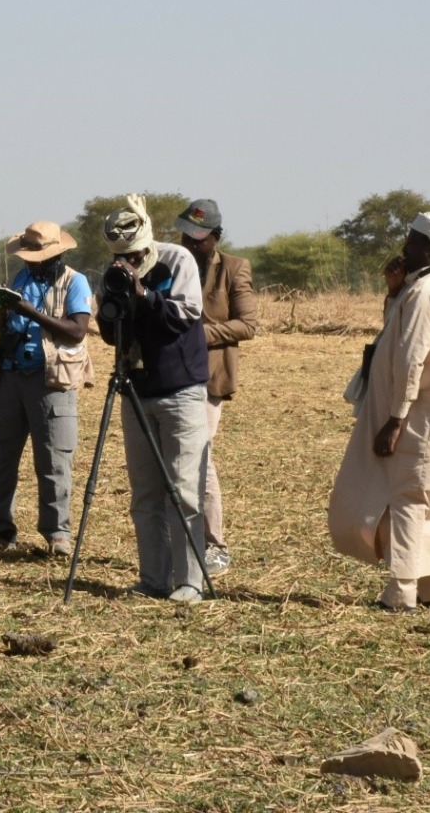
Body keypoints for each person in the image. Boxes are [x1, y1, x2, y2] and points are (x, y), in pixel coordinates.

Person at [327, 211, 430, 612]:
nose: (404, 248)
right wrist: (393, 292)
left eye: (411, 242)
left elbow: (411, 360)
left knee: (406, 497)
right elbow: (396, 340)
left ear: (429, 248)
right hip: (426, 413)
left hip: (412, 414)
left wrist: (395, 419)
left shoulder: (429, 292)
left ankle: (401, 593)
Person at [97, 194, 210, 603]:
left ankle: (189, 581)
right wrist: (116, 300)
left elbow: (183, 317)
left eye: (134, 254)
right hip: (135, 389)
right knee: (145, 494)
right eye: (122, 255)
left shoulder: (177, 260)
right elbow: (110, 334)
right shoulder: (112, 272)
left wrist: (143, 294)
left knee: (183, 491)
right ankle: (154, 578)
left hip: (180, 390)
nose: (129, 260)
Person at [0, 221, 94, 557]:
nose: (31, 261)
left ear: (55, 255)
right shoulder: (21, 277)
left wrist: (31, 312)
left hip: (52, 380)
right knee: (2, 458)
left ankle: (57, 534)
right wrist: (3, 312)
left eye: (38, 256)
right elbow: (6, 325)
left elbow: (77, 330)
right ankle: (0, 529)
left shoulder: (75, 282)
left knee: (54, 460)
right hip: (11, 377)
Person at [175, 199, 258, 576]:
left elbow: (247, 325)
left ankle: (215, 545)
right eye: (186, 235)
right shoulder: (171, 265)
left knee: (200, 459)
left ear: (216, 237)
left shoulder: (235, 269)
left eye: (199, 238)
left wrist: (199, 334)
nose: (191, 244)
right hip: (171, 375)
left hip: (208, 378)